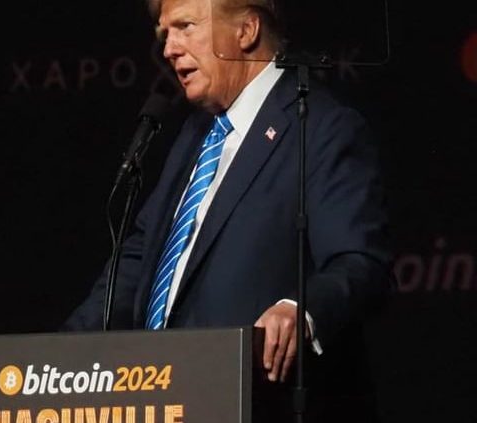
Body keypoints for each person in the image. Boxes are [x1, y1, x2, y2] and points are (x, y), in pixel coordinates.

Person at [63, 0, 390, 417]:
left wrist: (301, 311)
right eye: (165, 34)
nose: (169, 49)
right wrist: (62, 355)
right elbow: (139, 259)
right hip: (167, 397)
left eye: (185, 27)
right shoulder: (196, 133)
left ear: (246, 31)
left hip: (260, 403)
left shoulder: (320, 126)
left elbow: (359, 261)